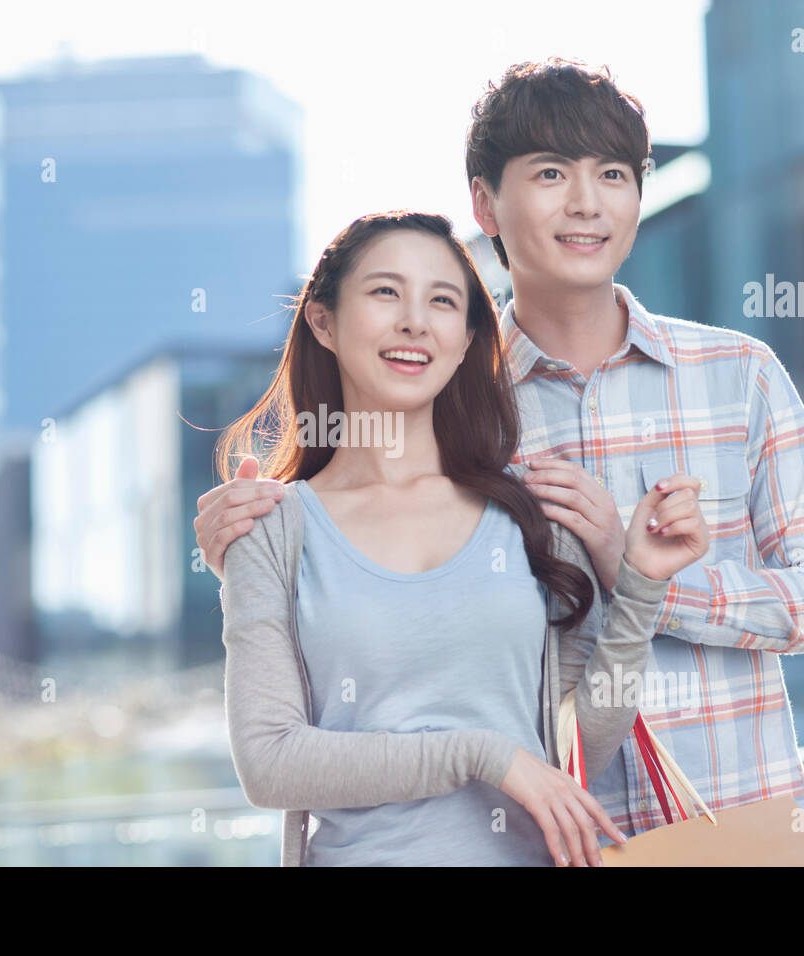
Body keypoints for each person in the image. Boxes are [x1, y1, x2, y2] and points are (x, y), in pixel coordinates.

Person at [200, 57, 804, 841]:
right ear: (484, 202)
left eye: (614, 174)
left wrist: (643, 579)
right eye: (551, 173)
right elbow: (382, 593)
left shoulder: (738, 377)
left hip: (737, 828)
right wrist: (253, 555)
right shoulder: (452, 413)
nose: (586, 203)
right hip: (544, 838)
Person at [217, 209, 709, 866]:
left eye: (443, 301)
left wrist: (642, 588)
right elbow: (271, 764)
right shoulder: (270, 531)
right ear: (323, 321)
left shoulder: (532, 512)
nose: (415, 320)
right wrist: (482, 756)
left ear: (468, 335)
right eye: (386, 292)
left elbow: (575, 753)